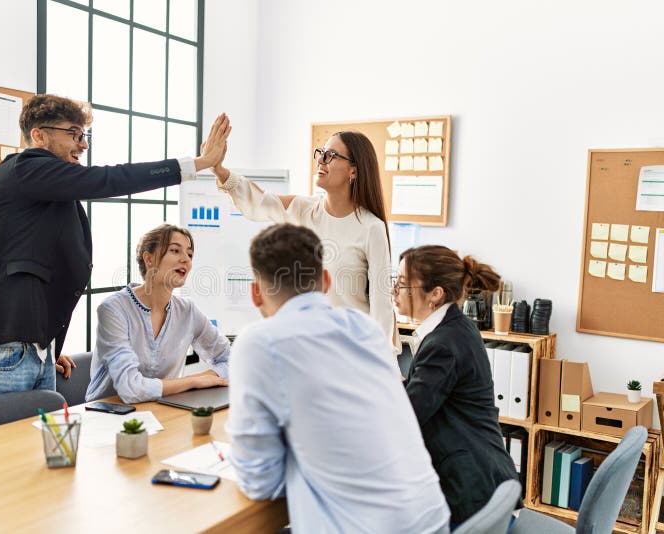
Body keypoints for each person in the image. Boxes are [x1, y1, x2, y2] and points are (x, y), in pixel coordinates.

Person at [0, 94, 231, 407]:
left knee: (29, 455)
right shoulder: (23, 169)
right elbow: (108, 179)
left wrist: (43, 347)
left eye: (85, 135)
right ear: (39, 135)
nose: (83, 144)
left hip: (30, 352)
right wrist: (198, 165)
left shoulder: (50, 194)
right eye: (74, 134)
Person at [227, 223, 449, 534]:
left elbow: (259, 481)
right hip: (434, 521)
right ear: (326, 280)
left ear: (255, 293)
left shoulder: (259, 343)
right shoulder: (366, 328)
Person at [210, 131, 394, 342]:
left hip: (352, 348)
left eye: (331, 155)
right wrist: (219, 170)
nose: (320, 160)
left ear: (353, 171)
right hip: (309, 343)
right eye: (321, 153)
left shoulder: (371, 227)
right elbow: (258, 203)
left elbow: (382, 307)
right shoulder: (304, 209)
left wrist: (381, 361)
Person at [394, 245, 519, 525]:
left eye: (402, 284)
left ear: (435, 294)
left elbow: (406, 418)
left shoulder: (443, 344)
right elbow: (426, 394)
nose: (395, 291)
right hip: (492, 483)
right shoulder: (457, 327)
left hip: (472, 497)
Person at [85, 224, 229, 403]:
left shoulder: (187, 311)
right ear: (149, 259)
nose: (186, 259)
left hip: (165, 411)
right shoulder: (113, 309)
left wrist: (207, 376)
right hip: (108, 415)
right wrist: (192, 381)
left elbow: (229, 359)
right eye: (175, 251)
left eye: (190, 254)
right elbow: (130, 388)